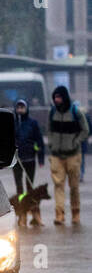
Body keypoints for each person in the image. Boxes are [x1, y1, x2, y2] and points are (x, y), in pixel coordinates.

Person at [48, 85, 88, 225]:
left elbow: (85, 130)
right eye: (55, 97)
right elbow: (49, 129)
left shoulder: (76, 112)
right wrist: (51, 144)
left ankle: (75, 213)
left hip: (73, 155)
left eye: (59, 97)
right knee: (58, 185)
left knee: (74, 186)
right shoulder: (52, 111)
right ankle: (59, 215)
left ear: (64, 97)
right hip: (56, 155)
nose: (56, 100)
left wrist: (76, 141)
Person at [13, 98, 45, 227]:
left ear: (26, 109)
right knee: (20, 189)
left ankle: (36, 216)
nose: (20, 110)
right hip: (17, 160)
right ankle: (22, 215)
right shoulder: (13, 123)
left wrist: (40, 158)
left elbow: (39, 141)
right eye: (18, 107)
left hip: (30, 160)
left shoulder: (33, 123)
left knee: (30, 188)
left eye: (22, 107)